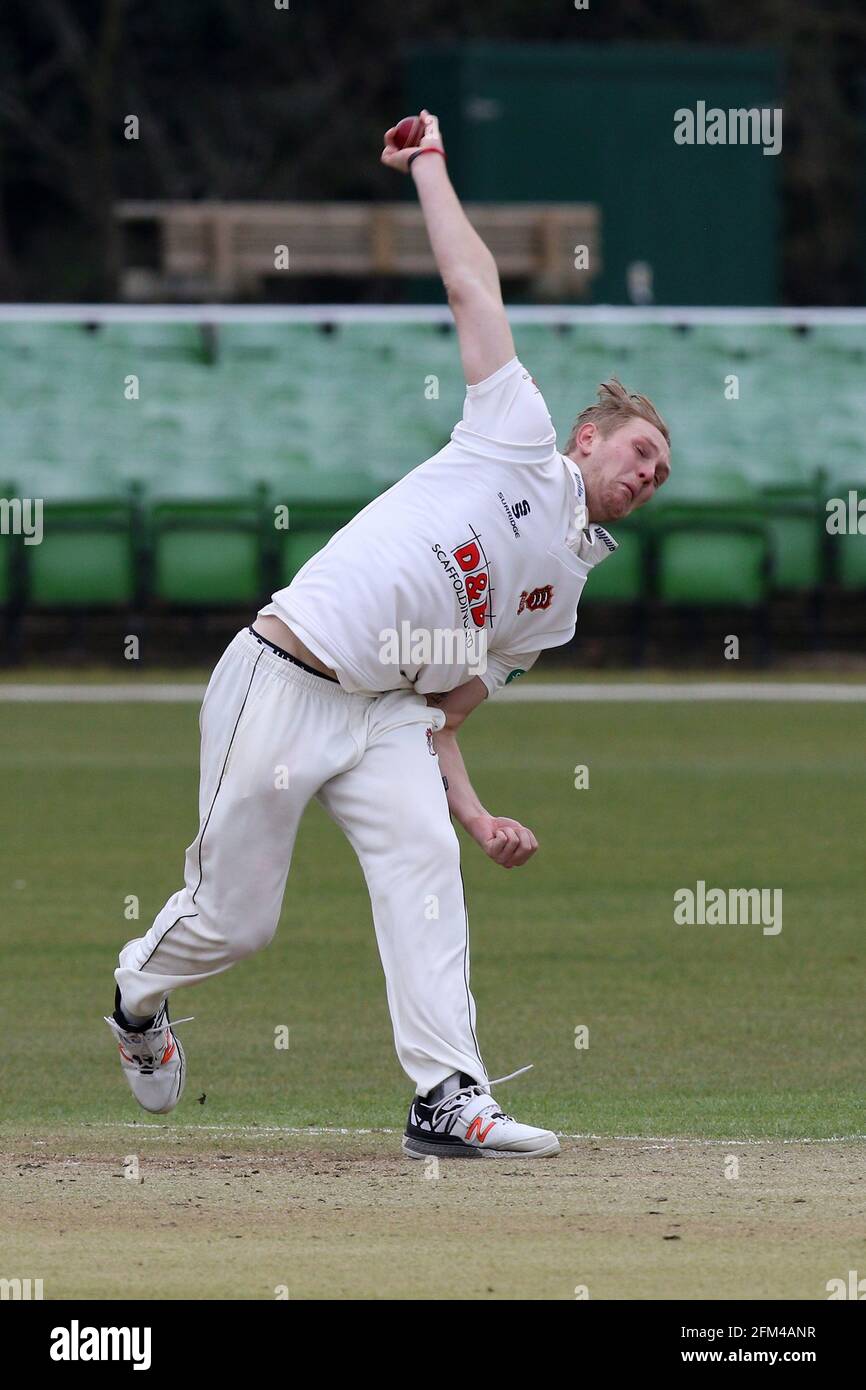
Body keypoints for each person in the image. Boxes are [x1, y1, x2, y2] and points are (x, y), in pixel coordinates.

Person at [105, 111, 671, 1160]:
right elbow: (471, 288)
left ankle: (445, 1098)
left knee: (423, 867)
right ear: (587, 438)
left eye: (659, 474)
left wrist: (477, 813)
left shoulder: (557, 605)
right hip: (288, 668)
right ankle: (139, 996)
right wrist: (428, 167)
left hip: (384, 718)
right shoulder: (514, 438)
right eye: (638, 450)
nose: (646, 473)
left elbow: (447, 714)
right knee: (238, 921)